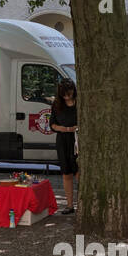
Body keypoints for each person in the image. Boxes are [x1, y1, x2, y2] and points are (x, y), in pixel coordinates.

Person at [49, 79, 79, 214]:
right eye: (65, 94)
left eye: (70, 93)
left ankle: (82, 203)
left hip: (77, 139)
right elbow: (52, 124)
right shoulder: (56, 104)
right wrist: (64, 129)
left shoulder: (79, 102)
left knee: (79, 172)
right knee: (66, 173)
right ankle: (69, 205)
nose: (67, 96)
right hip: (63, 140)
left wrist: (76, 128)